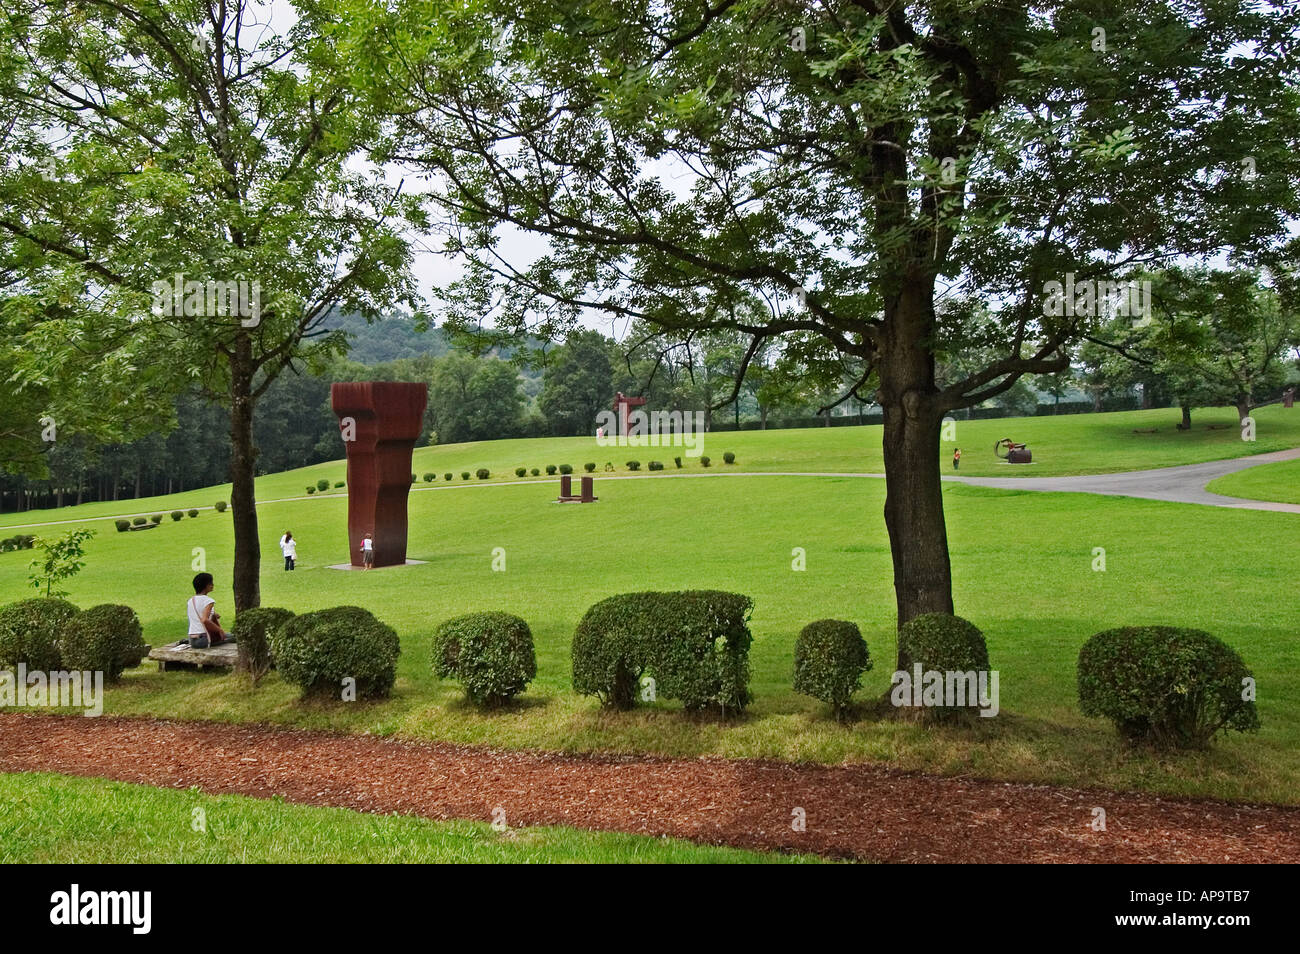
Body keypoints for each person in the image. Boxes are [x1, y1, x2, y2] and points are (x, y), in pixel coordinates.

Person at [186, 572, 235, 649]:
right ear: (205, 586)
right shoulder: (208, 601)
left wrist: (213, 615)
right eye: (211, 583)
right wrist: (220, 630)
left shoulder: (191, 600)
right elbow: (204, 620)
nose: (213, 585)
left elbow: (197, 615)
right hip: (204, 639)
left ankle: (185, 641)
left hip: (193, 640)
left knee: (229, 636)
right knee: (235, 637)